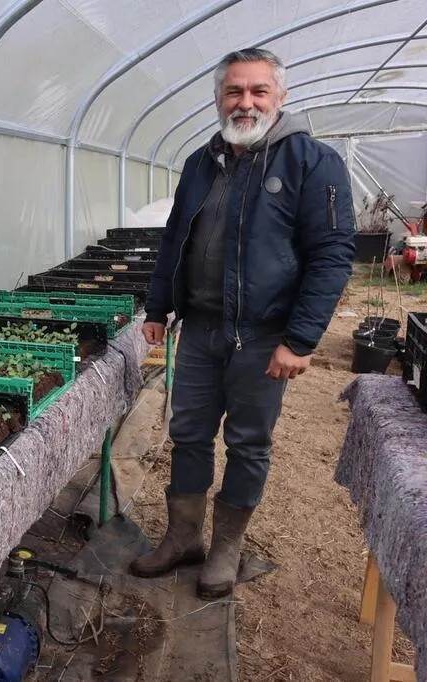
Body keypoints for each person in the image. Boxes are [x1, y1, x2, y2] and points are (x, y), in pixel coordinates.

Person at [130, 48, 356, 600]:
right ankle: (183, 537)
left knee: (249, 442)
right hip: (202, 329)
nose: (246, 102)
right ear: (218, 99)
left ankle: (225, 549)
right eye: (235, 91)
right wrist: (158, 308)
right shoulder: (200, 162)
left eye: (258, 91)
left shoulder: (311, 162)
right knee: (187, 436)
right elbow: (173, 241)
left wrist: (300, 340)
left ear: (279, 98)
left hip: (264, 336)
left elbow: (330, 255)